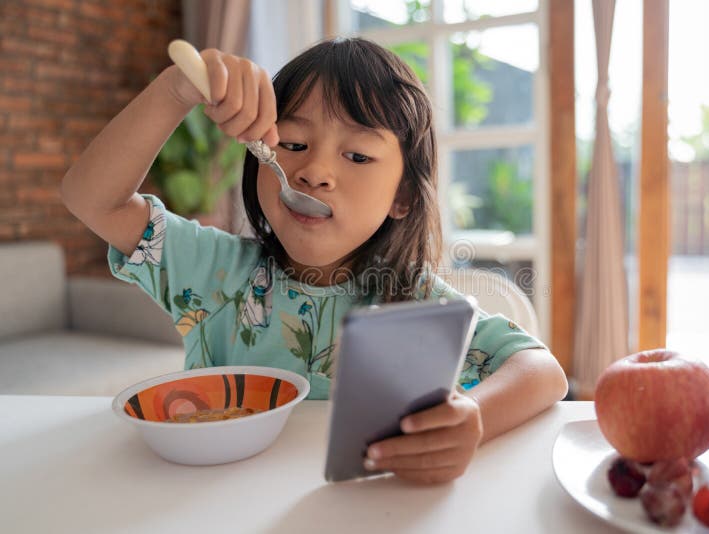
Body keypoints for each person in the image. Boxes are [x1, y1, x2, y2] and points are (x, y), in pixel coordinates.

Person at [61, 37, 568, 484]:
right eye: (293, 144)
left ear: (404, 196)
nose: (315, 172)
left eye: (358, 156)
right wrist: (178, 89)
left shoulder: (417, 303)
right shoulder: (214, 273)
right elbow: (92, 199)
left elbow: (543, 370)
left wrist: (472, 419)